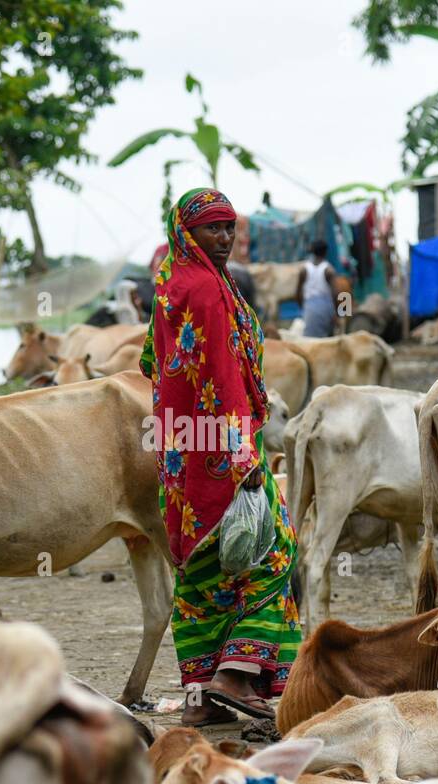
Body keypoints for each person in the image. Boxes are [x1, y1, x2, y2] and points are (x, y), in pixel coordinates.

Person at [140, 188, 301, 726]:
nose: (225, 238)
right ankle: (235, 674)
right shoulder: (209, 289)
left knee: (200, 571)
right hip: (222, 452)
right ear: (189, 231)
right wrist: (240, 457)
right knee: (274, 553)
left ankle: (202, 700)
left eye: (230, 228)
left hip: (180, 454)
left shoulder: (168, 282)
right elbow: (225, 379)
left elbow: (151, 362)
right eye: (213, 229)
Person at [297, 239, 337, 337]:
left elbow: (298, 293)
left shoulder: (304, 270)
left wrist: (304, 308)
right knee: (327, 339)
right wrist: (342, 314)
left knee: (310, 339)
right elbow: (337, 294)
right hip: (326, 308)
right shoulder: (329, 270)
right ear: (326, 252)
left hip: (309, 307)